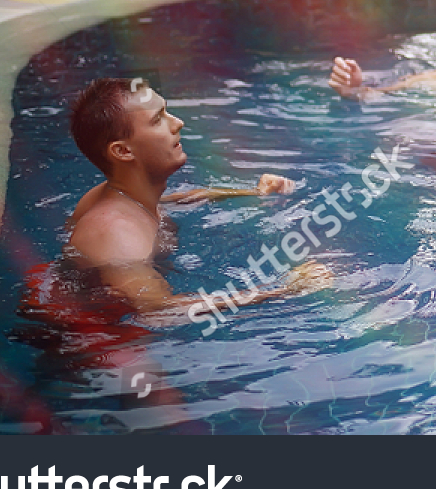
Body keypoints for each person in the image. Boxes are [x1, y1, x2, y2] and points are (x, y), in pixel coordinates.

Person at [64, 77, 331, 322]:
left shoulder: (120, 196)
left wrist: (252, 193)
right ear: (122, 151)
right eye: (158, 119)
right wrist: (283, 290)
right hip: (101, 350)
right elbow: (161, 313)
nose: (177, 123)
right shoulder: (115, 232)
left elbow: (178, 199)